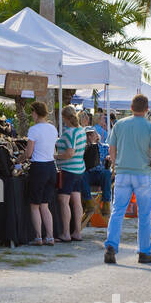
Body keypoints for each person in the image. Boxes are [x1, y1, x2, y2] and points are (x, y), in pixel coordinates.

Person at [104, 94, 151, 265]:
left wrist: (117, 166)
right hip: (143, 173)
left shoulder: (119, 125)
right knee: (144, 215)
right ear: (147, 109)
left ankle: (111, 247)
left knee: (118, 211)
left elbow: (112, 150)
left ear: (131, 108)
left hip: (123, 172)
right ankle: (144, 251)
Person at [21, 101, 59, 245]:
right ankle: (49, 236)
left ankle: (38, 237)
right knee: (45, 205)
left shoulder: (34, 129)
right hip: (51, 167)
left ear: (35, 113)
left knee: (35, 205)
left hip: (39, 168)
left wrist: (20, 158)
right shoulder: (53, 129)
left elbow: (29, 153)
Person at [54, 106, 88, 241]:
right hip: (80, 169)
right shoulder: (81, 131)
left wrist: (55, 157)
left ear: (65, 118)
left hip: (68, 171)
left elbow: (69, 153)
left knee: (64, 201)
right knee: (77, 201)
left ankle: (66, 233)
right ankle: (77, 232)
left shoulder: (69, 133)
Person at [83, 127, 111, 217]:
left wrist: (110, 158)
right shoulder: (82, 148)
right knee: (81, 175)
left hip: (101, 174)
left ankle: (106, 203)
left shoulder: (105, 147)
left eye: (92, 134)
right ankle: (88, 202)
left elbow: (114, 157)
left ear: (96, 135)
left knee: (106, 173)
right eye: (87, 135)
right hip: (88, 174)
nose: (90, 136)